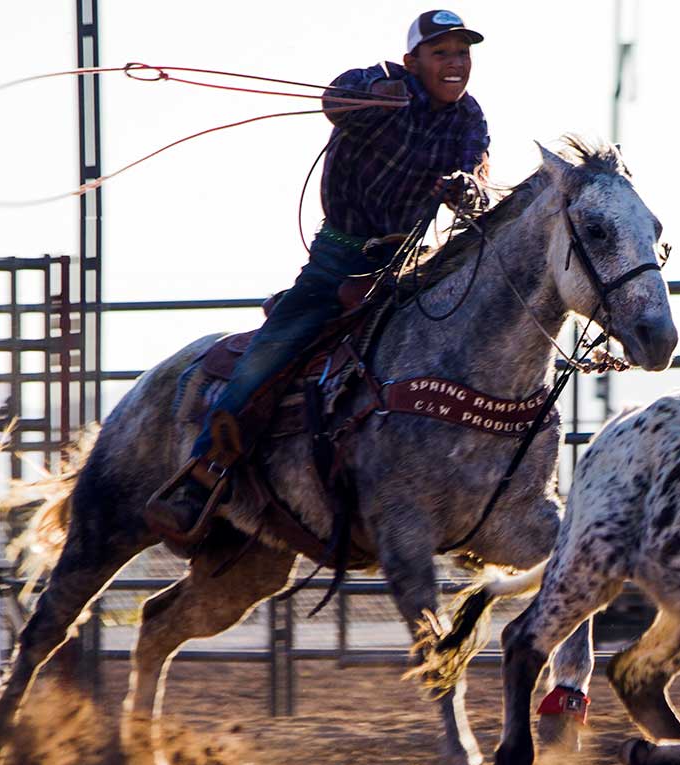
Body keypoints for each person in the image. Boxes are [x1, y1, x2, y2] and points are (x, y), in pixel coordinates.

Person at [145, 9, 490, 543]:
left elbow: (476, 164)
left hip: (407, 264)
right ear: (412, 61)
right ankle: (201, 471)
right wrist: (378, 91)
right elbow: (336, 98)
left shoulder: (468, 117)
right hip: (340, 258)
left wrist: (466, 187)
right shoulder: (378, 87)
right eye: (441, 52)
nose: (455, 63)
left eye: (462, 52)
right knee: (272, 350)